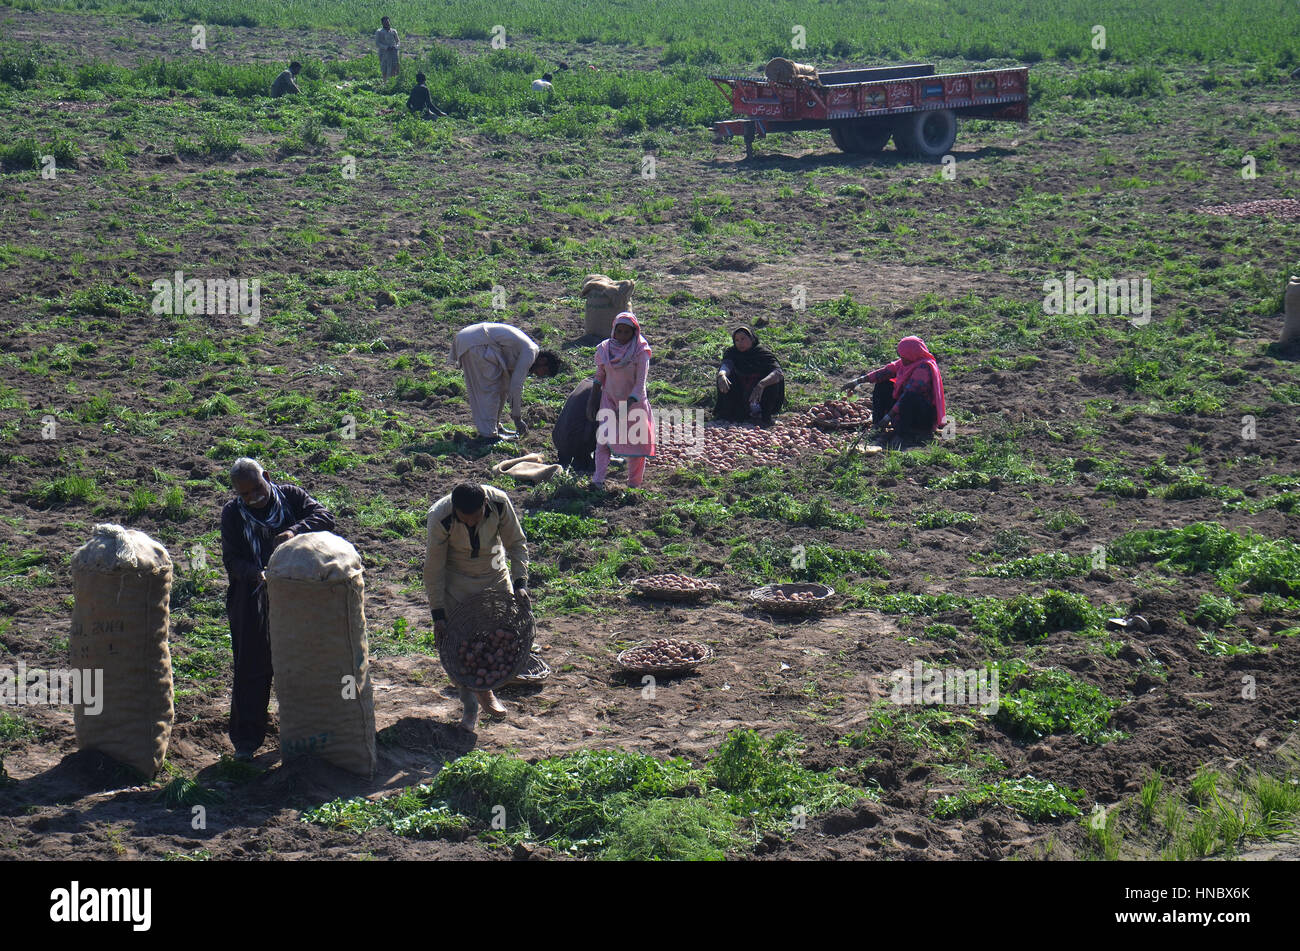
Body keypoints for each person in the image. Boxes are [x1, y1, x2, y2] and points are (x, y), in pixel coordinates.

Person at [220, 457, 336, 761]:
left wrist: (295, 531)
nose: (253, 497)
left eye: (257, 488)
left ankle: (308, 732)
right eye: (245, 494)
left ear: (267, 477)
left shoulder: (291, 497)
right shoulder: (233, 514)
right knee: (251, 668)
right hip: (253, 600)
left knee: (304, 662)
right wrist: (257, 574)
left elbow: (325, 516)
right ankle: (246, 741)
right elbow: (231, 561)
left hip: (300, 597)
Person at [424, 482, 529, 730]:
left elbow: (516, 543)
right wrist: (438, 613)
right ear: (455, 510)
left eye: (476, 518)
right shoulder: (440, 517)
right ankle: (470, 705)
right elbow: (433, 568)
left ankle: (486, 690)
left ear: (485, 505)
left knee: (496, 639)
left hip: (493, 575)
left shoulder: (500, 503)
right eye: (465, 519)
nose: (471, 523)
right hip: (456, 582)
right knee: (459, 645)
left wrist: (520, 582)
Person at [450, 322, 561, 440]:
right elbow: (516, 386)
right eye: (544, 371)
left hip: (476, 340)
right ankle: (488, 435)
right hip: (476, 343)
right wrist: (517, 419)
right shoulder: (530, 352)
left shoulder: (526, 350)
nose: (539, 375)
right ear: (543, 360)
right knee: (489, 389)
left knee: (502, 386)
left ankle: (494, 427)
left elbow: (508, 386)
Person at [593, 312, 653, 489]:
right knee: (603, 441)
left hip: (634, 403)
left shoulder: (640, 351)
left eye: (627, 332)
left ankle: (633, 484)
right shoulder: (605, 349)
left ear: (634, 332)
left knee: (635, 447)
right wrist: (592, 399)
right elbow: (600, 374)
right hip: (609, 400)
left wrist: (627, 406)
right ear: (614, 331)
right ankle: (598, 480)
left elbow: (640, 384)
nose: (622, 336)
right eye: (619, 331)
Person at [845, 335, 946, 435]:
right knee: (883, 384)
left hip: (921, 415)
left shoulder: (924, 368)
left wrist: (888, 417)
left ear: (912, 354)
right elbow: (885, 372)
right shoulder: (907, 362)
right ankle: (877, 425)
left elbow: (908, 395)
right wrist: (857, 382)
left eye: (904, 357)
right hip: (905, 408)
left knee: (909, 397)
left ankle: (902, 434)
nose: (902, 360)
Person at [715, 325, 785, 426]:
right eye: (737, 340)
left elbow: (778, 372)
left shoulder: (763, 354)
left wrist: (761, 384)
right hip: (741, 395)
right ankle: (731, 415)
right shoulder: (732, 353)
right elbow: (727, 365)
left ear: (752, 339)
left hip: (761, 396)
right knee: (724, 378)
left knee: (772, 380)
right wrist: (721, 374)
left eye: (743, 339)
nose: (740, 343)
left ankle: (765, 417)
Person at [553, 376, 602, 471]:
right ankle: (589, 460)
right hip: (576, 444)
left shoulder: (586, 381)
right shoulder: (602, 390)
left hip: (558, 440)